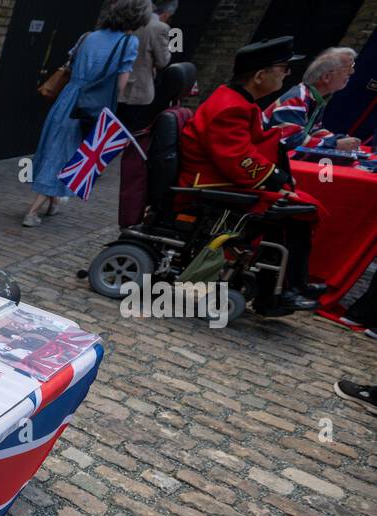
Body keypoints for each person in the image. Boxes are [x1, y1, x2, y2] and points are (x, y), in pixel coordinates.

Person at [178, 36, 324, 312]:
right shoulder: (231, 106)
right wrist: (278, 179)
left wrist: (279, 177)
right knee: (295, 210)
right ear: (260, 75)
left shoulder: (238, 101)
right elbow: (237, 159)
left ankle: (287, 284)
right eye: (283, 68)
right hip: (209, 182)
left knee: (296, 207)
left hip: (219, 176)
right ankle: (282, 288)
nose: (287, 74)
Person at [24, 0, 149, 227]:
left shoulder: (87, 36)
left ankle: (53, 202)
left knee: (53, 145)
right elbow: (120, 84)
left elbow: (71, 65)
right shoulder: (128, 42)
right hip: (91, 104)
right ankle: (33, 211)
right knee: (66, 154)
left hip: (67, 99)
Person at [265, 47, 362, 153]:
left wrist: (338, 139)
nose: (352, 72)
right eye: (347, 69)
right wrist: (335, 144)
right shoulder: (298, 98)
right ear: (326, 77)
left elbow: (313, 130)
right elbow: (290, 139)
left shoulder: (314, 98)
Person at [116, 1, 177, 133]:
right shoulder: (160, 28)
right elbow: (162, 61)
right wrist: (171, 48)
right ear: (166, 14)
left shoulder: (130, 21)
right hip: (136, 90)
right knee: (123, 132)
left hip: (115, 85)